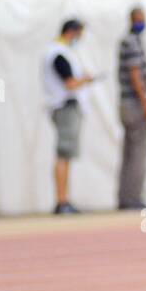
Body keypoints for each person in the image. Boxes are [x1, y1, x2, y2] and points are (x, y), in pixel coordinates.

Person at [43, 19, 96, 215]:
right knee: (63, 154)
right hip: (65, 107)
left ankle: (64, 199)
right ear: (71, 32)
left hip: (66, 106)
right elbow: (70, 83)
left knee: (67, 155)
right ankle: (61, 200)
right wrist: (86, 79)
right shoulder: (58, 53)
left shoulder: (62, 51)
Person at [116, 7, 146, 210]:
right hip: (134, 105)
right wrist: (145, 102)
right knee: (138, 152)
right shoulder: (132, 42)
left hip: (126, 103)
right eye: (140, 20)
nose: (143, 24)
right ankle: (133, 198)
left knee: (129, 151)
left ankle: (125, 197)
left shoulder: (127, 41)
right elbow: (135, 74)